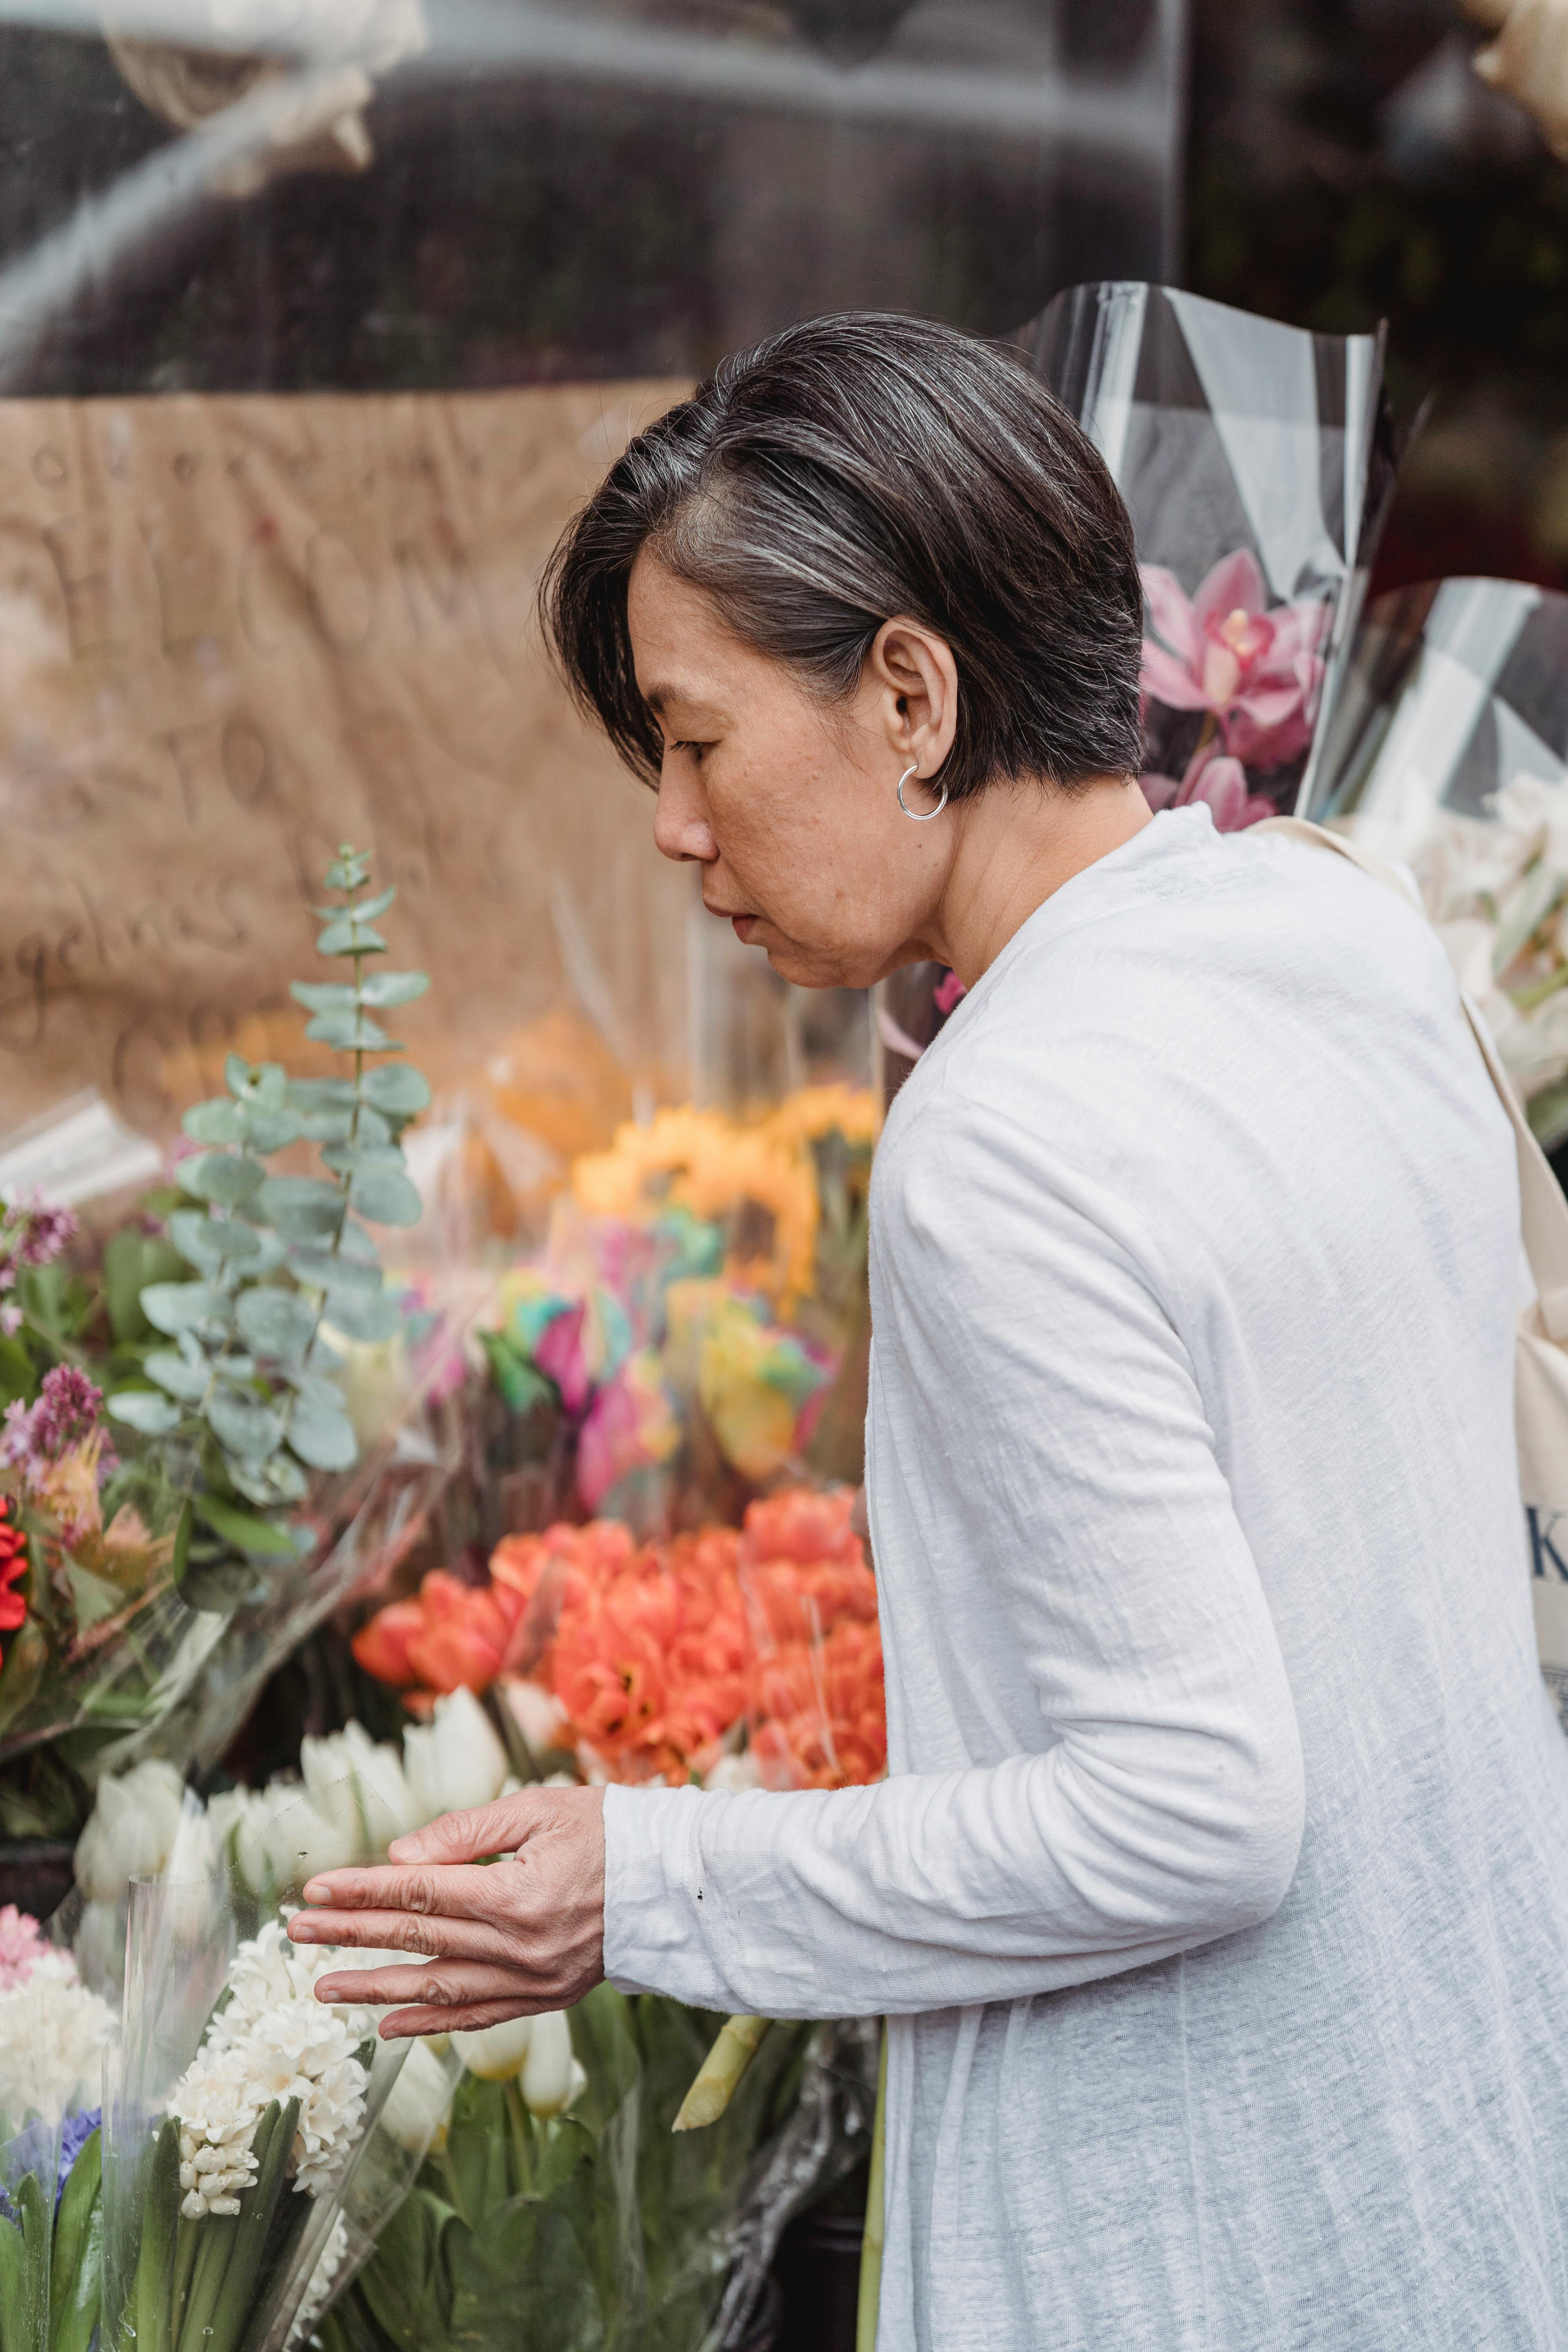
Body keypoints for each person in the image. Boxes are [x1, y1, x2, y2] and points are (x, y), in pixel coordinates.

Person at [290, 312, 1568, 2350]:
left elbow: (1192, 1803)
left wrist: (643, 1883)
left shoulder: (1007, 1135)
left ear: (909, 692)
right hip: (1458, 2162)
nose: (672, 832)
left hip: (1195, 2239)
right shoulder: (1336, 931)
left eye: (698, 744)